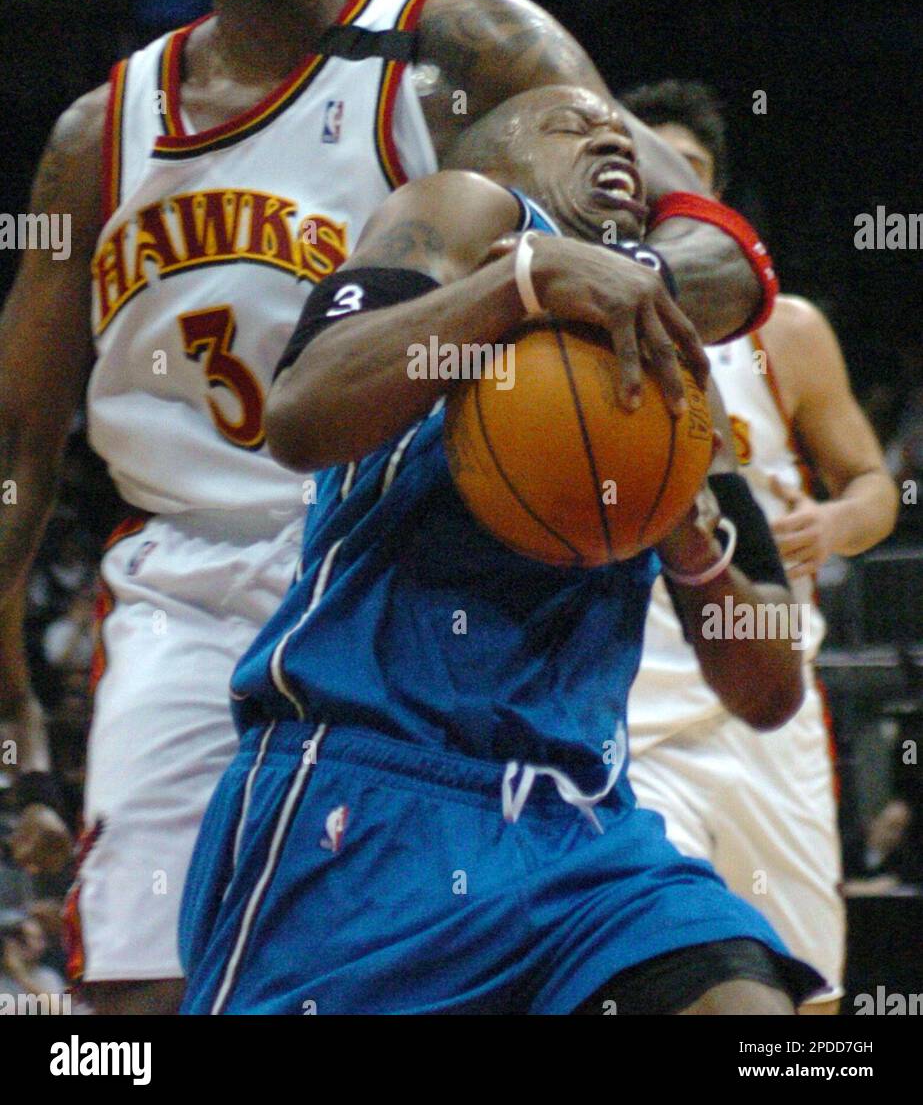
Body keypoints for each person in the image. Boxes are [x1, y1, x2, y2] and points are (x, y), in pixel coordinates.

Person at [0, 0, 777, 1015]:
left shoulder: (463, 46)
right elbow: (20, 449)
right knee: (144, 1000)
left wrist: (584, 278)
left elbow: (715, 251)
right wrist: (20, 728)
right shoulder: (102, 134)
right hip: (192, 587)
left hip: (410, 563)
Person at [179, 85, 823, 1015]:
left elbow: (769, 693)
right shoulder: (461, 211)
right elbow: (301, 412)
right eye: (571, 126)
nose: (611, 139)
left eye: (622, 137)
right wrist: (519, 284)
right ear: (501, 159)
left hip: (583, 832)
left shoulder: (670, 363)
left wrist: (686, 536)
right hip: (363, 798)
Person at [619, 79, 899, 1014]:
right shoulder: (576, 338)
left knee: (811, 994)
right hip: (634, 720)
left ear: (714, 203)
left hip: (766, 709)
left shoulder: (785, 331)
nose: (663, 197)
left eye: (686, 178)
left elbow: (873, 487)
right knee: (659, 980)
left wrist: (832, 525)